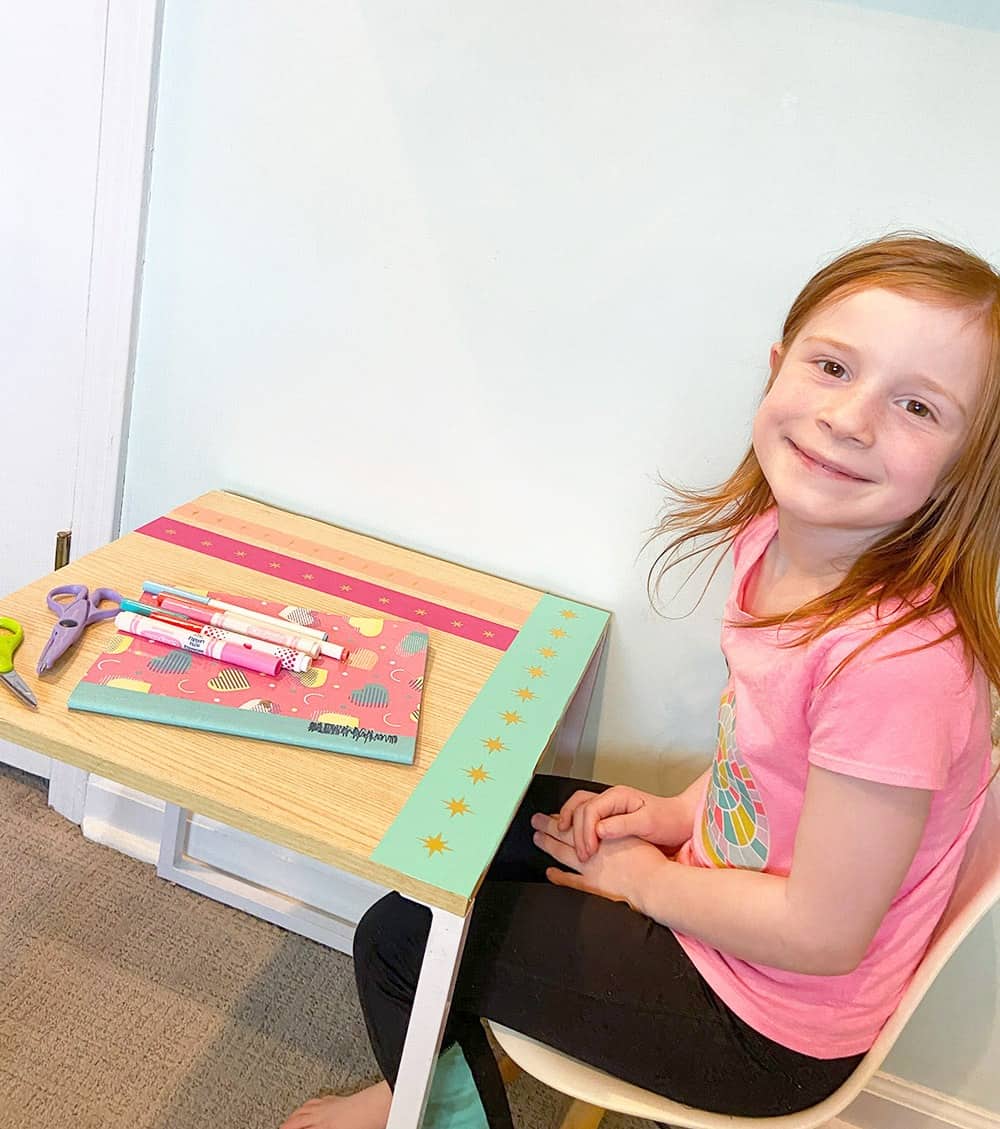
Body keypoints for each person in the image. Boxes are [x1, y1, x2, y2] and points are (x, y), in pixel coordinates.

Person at [281, 232, 1000, 1129]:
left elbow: (823, 932)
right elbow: (764, 765)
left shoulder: (898, 667)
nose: (852, 419)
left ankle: (420, 1104)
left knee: (399, 941)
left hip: (763, 1028)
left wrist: (647, 881)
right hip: (728, 904)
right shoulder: (777, 548)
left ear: (968, 471)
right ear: (777, 370)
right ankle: (425, 1068)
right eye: (832, 366)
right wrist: (672, 817)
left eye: (918, 408)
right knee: (462, 831)